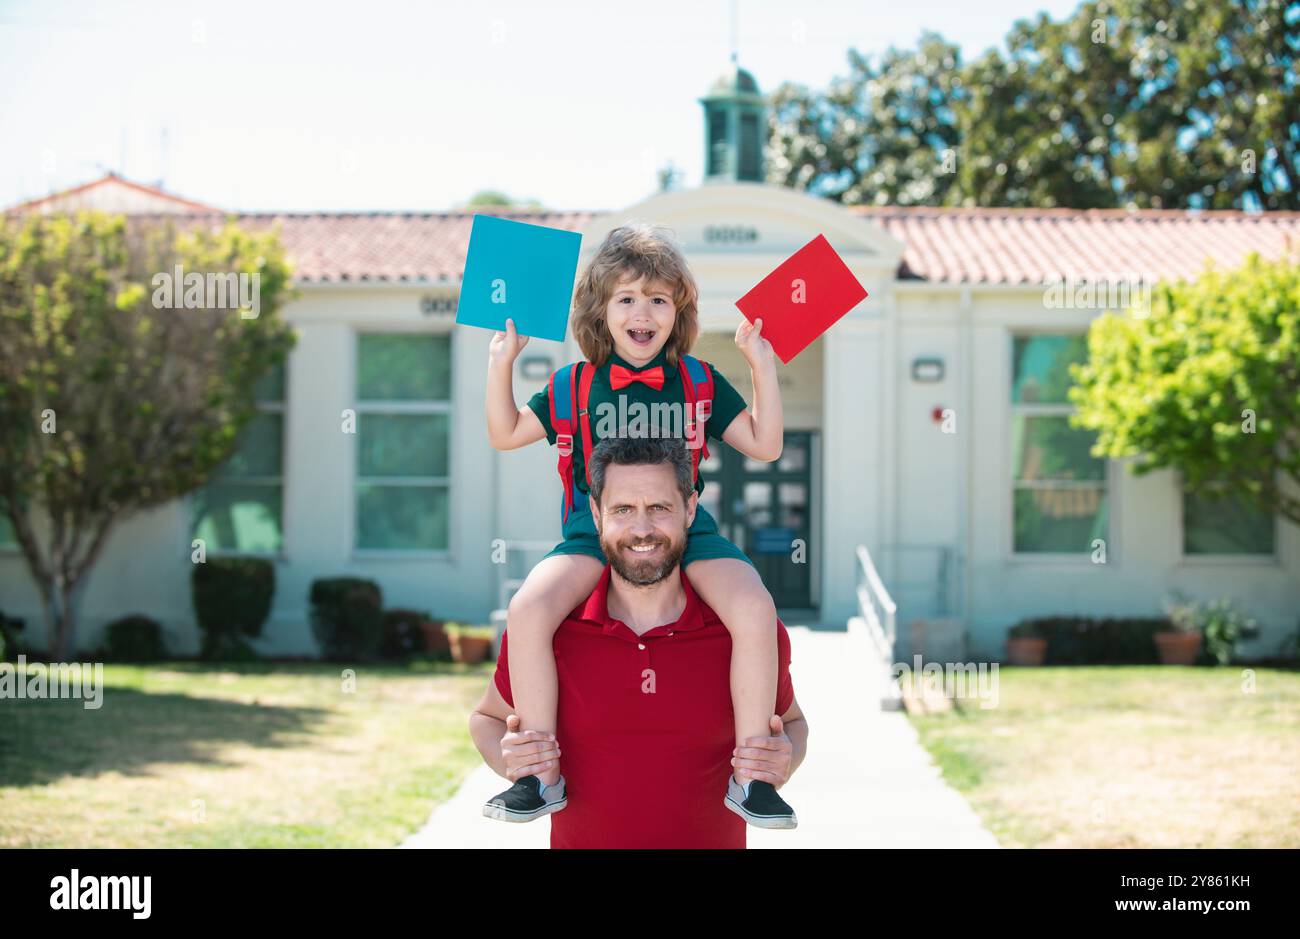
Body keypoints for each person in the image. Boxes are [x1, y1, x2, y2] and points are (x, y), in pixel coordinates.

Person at [482, 222, 796, 828]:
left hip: (687, 529)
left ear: (678, 313)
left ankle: (753, 779)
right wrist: (501, 365)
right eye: (626, 297)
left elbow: (765, 443)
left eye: (658, 299)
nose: (642, 311)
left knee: (755, 607)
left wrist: (762, 365)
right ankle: (539, 773)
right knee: (528, 609)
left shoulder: (699, 379)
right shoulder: (573, 381)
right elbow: (505, 433)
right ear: (602, 311)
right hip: (589, 531)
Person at [468, 436, 808, 848]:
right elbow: (486, 720)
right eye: (623, 509)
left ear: (690, 510)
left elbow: (791, 723)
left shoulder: (742, 628)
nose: (642, 529)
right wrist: (511, 760)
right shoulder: (552, 631)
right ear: (596, 514)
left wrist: (782, 760)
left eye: (659, 508)